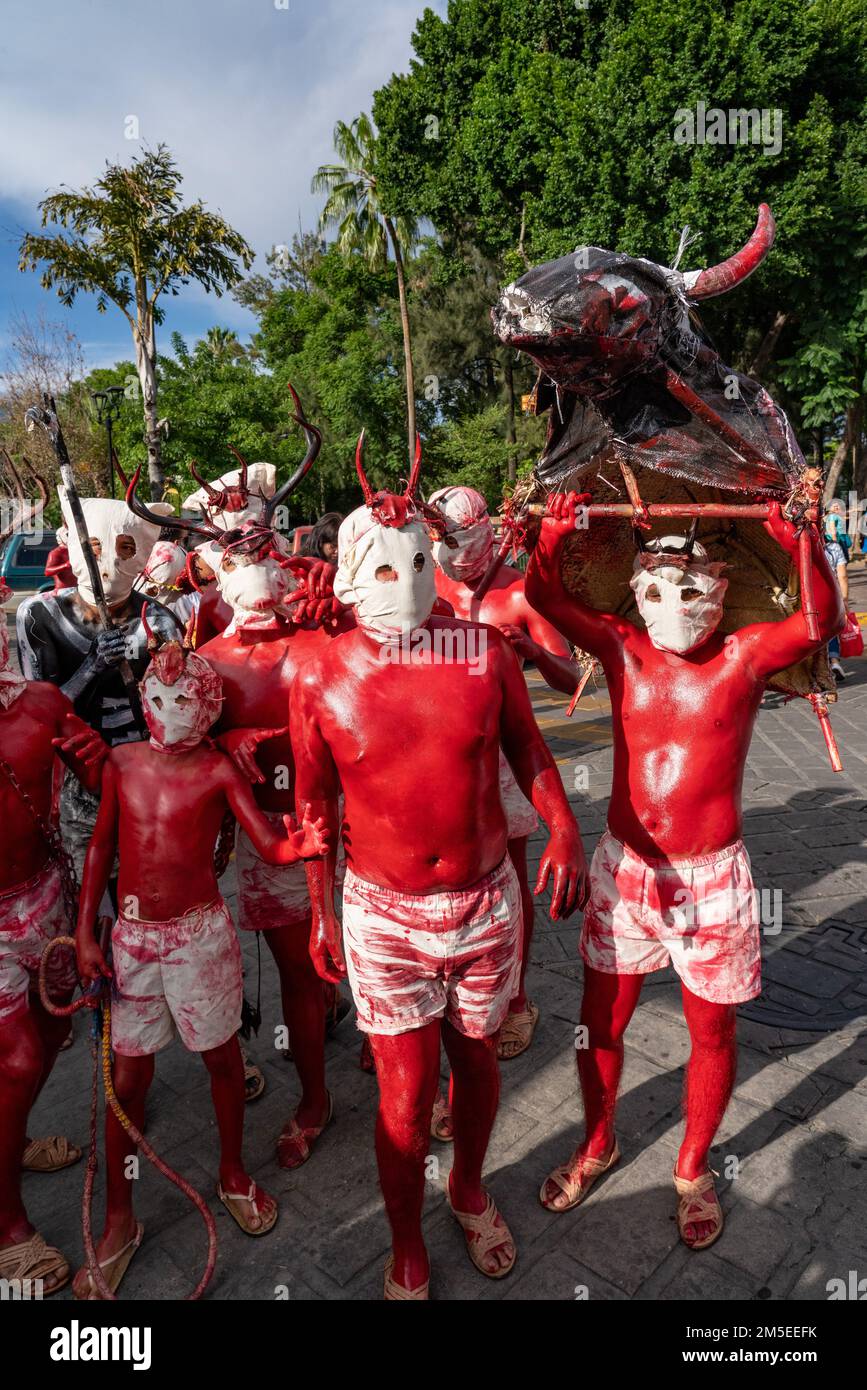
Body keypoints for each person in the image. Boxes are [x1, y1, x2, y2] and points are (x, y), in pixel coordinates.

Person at [290, 452, 588, 1299]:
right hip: (380, 913)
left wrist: (563, 827)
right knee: (403, 1092)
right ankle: (404, 1240)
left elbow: (527, 747)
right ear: (349, 578)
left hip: (486, 899)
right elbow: (314, 815)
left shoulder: (483, 654)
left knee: (480, 1058)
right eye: (383, 567)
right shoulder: (315, 672)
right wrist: (319, 915)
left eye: (419, 560)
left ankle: (466, 1187)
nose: (406, 581)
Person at [525, 491, 844, 1251]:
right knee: (598, 1020)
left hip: (712, 881)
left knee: (712, 1027)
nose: (676, 599)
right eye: (659, 581)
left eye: (693, 582)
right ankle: (596, 1141)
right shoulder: (620, 648)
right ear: (637, 586)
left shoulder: (744, 658)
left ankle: (692, 1168)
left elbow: (816, 623)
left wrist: (798, 543)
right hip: (622, 871)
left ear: (723, 587)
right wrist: (545, 538)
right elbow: (544, 595)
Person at [73, 626, 329, 1298]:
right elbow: (101, 850)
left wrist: (301, 842)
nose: (164, 711)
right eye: (156, 697)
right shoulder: (123, 764)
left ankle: (231, 1171)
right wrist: (86, 933)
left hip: (199, 938)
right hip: (131, 940)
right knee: (126, 1083)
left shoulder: (217, 770)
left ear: (210, 710)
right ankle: (120, 1217)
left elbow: (265, 844)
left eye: (183, 701)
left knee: (221, 1061)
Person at [429, 484, 581, 1061]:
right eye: (437, 540)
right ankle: (449, 987)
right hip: (439, 755)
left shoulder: (521, 591)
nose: (447, 552)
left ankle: (517, 999)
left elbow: (573, 679)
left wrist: (534, 652)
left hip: (503, 757)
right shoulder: (431, 580)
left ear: (486, 530)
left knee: (511, 882)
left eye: (455, 539)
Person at [0, 582, 107, 1295]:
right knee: (19, 1055)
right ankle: (7, 1223)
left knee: (49, 1040)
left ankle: (16, 1142)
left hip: (45, 898)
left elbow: (107, 776)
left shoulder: (35, 704)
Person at [43, 525, 76, 591]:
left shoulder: (74, 550)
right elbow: (47, 571)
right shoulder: (56, 552)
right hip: (63, 590)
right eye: (68, 534)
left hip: (77, 588)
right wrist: (65, 565)